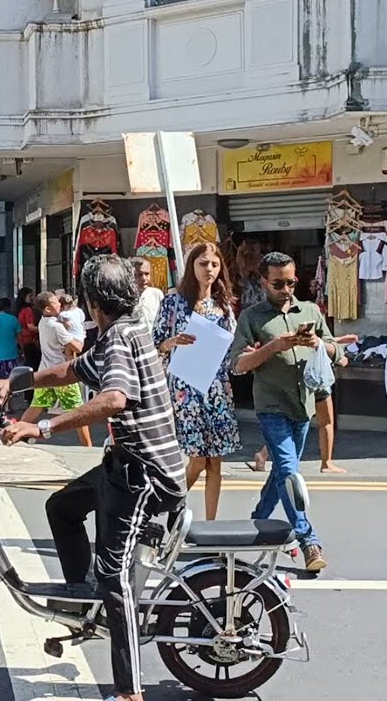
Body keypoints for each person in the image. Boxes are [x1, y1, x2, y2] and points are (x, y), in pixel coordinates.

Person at [0, 254, 186, 701]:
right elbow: (70, 370)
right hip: (126, 462)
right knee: (60, 507)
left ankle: (129, 691)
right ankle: (87, 607)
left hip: (146, 472)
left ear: (92, 300)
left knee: (114, 572)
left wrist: (39, 426)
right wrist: (16, 384)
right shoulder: (117, 332)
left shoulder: (120, 338)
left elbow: (115, 399)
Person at [229, 252, 342, 573]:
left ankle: (255, 524)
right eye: (278, 283)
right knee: (290, 472)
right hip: (271, 407)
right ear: (264, 282)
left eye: (292, 282)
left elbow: (337, 351)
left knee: (280, 472)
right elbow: (237, 364)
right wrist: (272, 348)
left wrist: (320, 343)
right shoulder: (252, 318)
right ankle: (309, 540)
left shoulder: (309, 310)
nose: (286, 289)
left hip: (303, 405)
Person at [154, 242, 240, 521]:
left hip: (216, 387)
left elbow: (232, 346)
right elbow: (155, 345)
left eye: (214, 264)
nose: (210, 270)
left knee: (216, 461)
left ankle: (210, 526)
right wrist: (173, 341)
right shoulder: (173, 302)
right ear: (191, 266)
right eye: (203, 263)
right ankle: (169, 504)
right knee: (198, 459)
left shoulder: (223, 305)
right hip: (186, 388)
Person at [249, 332, 359, 474]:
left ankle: (263, 455)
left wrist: (338, 341)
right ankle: (326, 463)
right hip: (314, 375)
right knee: (325, 421)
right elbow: (312, 341)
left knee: (287, 429)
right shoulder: (305, 315)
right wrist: (338, 349)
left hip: (308, 374)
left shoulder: (306, 316)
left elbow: (315, 340)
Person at [20, 291, 93, 447]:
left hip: (45, 371)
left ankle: (17, 431)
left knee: (37, 405)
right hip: (62, 375)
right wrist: (79, 332)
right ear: (47, 308)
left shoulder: (43, 322)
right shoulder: (56, 327)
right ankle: (88, 448)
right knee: (78, 411)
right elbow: (77, 347)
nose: (59, 303)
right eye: (55, 302)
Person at [130, 256, 165, 331]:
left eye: (147, 274)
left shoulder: (157, 294)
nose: (144, 278)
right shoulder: (126, 298)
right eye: (139, 274)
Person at [15, 287, 41, 371]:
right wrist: (44, 329)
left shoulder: (19, 310)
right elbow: (31, 326)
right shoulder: (28, 310)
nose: (32, 298)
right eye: (30, 296)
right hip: (30, 340)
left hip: (22, 339)